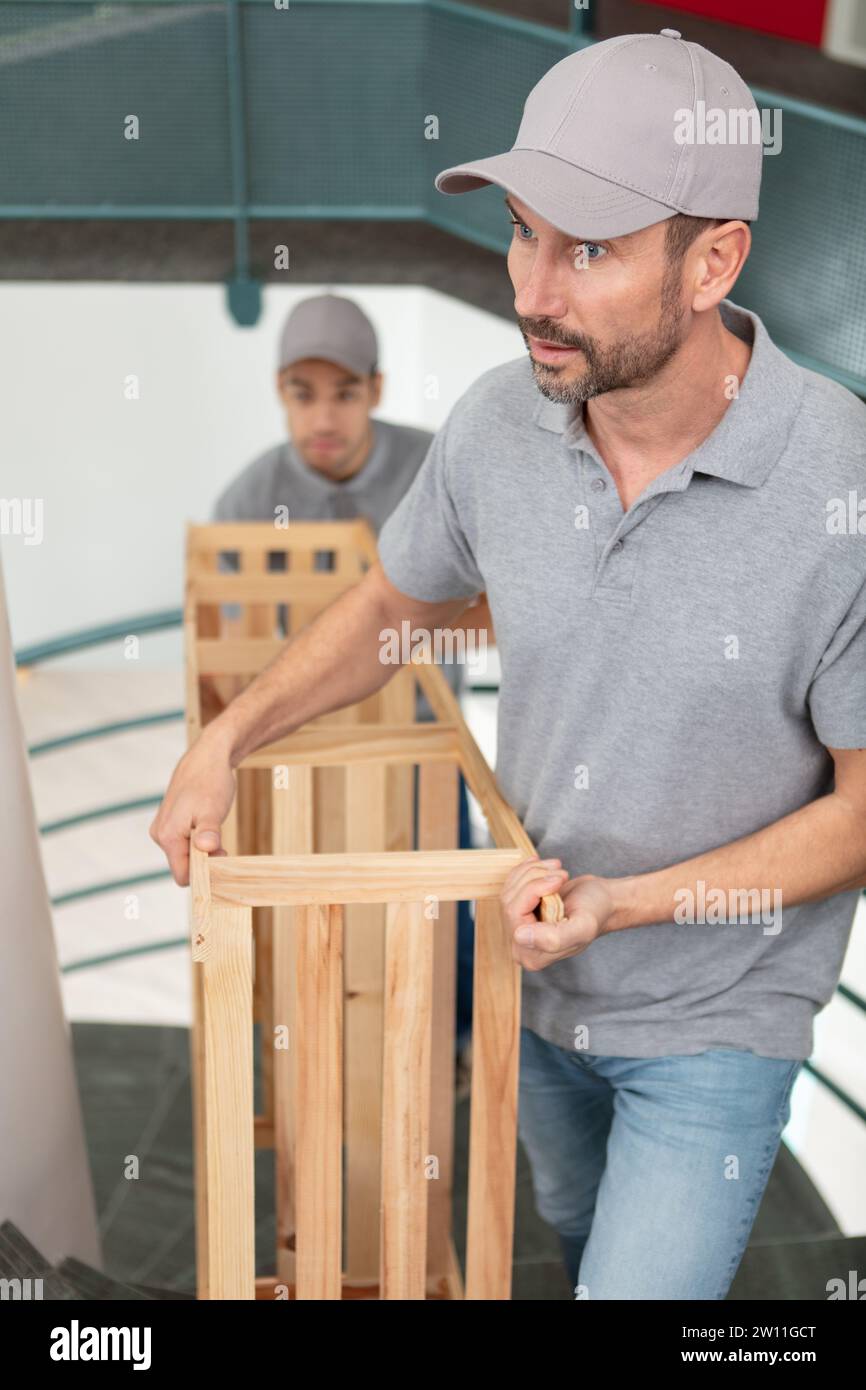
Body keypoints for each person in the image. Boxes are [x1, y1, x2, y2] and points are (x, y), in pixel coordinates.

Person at [151, 29, 866, 1300]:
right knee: (572, 1235)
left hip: (716, 1018)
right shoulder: (497, 423)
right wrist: (227, 737)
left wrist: (629, 902)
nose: (530, 288)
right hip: (531, 987)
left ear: (711, 262)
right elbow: (389, 607)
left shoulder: (841, 487)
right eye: (524, 232)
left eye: (585, 249)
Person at [210, 292, 483, 1070]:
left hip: (423, 742)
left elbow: (496, 602)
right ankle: (297, 1041)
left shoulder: (436, 468)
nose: (323, 417)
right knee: (308, 901)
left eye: (344, 393)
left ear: (377, 390)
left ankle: (454, 1043)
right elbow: (236, 643)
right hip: (301, 749)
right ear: (279, 393)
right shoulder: (248, 501)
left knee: (448, 902)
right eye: (303, 394)